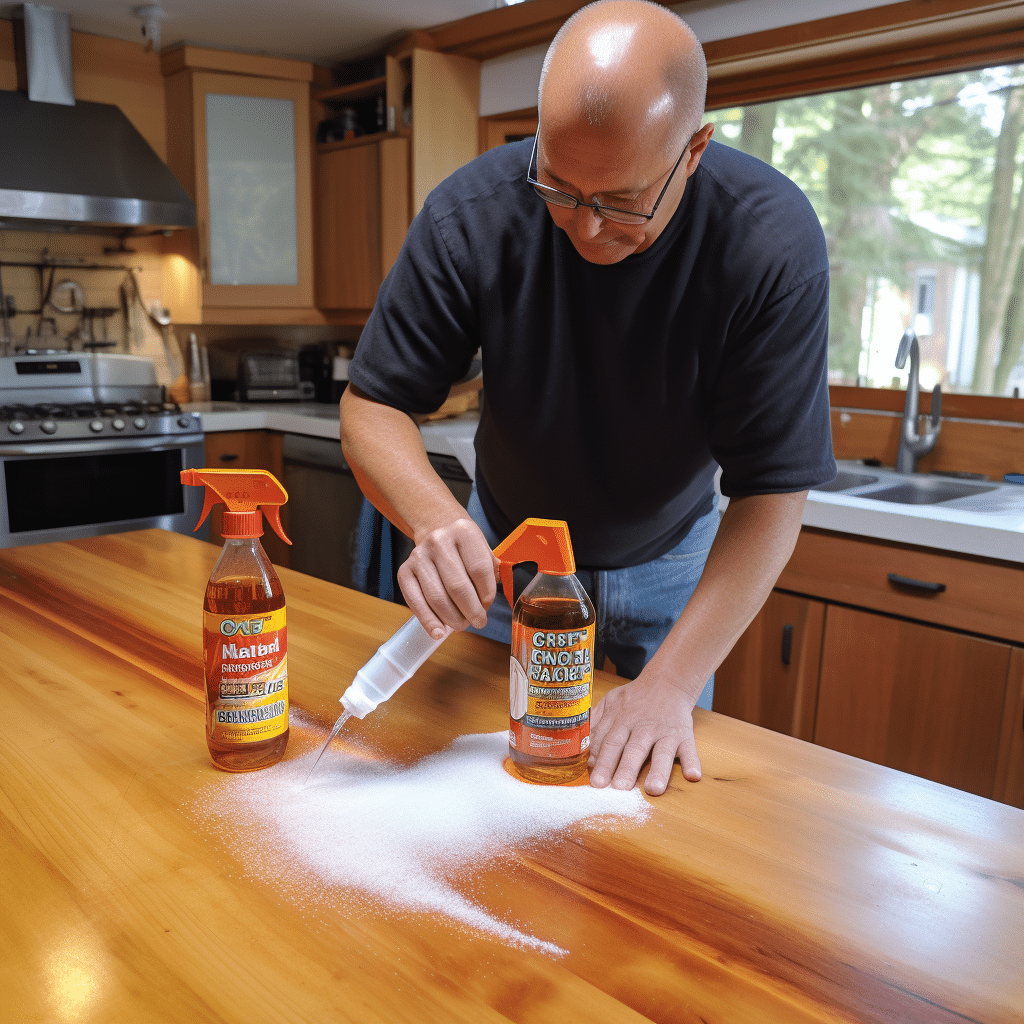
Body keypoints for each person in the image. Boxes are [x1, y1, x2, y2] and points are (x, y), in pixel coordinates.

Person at [338, 0, 835, 796]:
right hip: (506, 557)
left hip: (676, 563)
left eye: (620, 201)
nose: (584, 228)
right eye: (559, 186)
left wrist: (672, 684)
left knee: (652, 801)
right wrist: (434, 519)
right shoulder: (473, 213)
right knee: (477, 789)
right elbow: (373, 405)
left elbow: (773, 492)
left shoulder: (769, 244)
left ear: (694, 150)